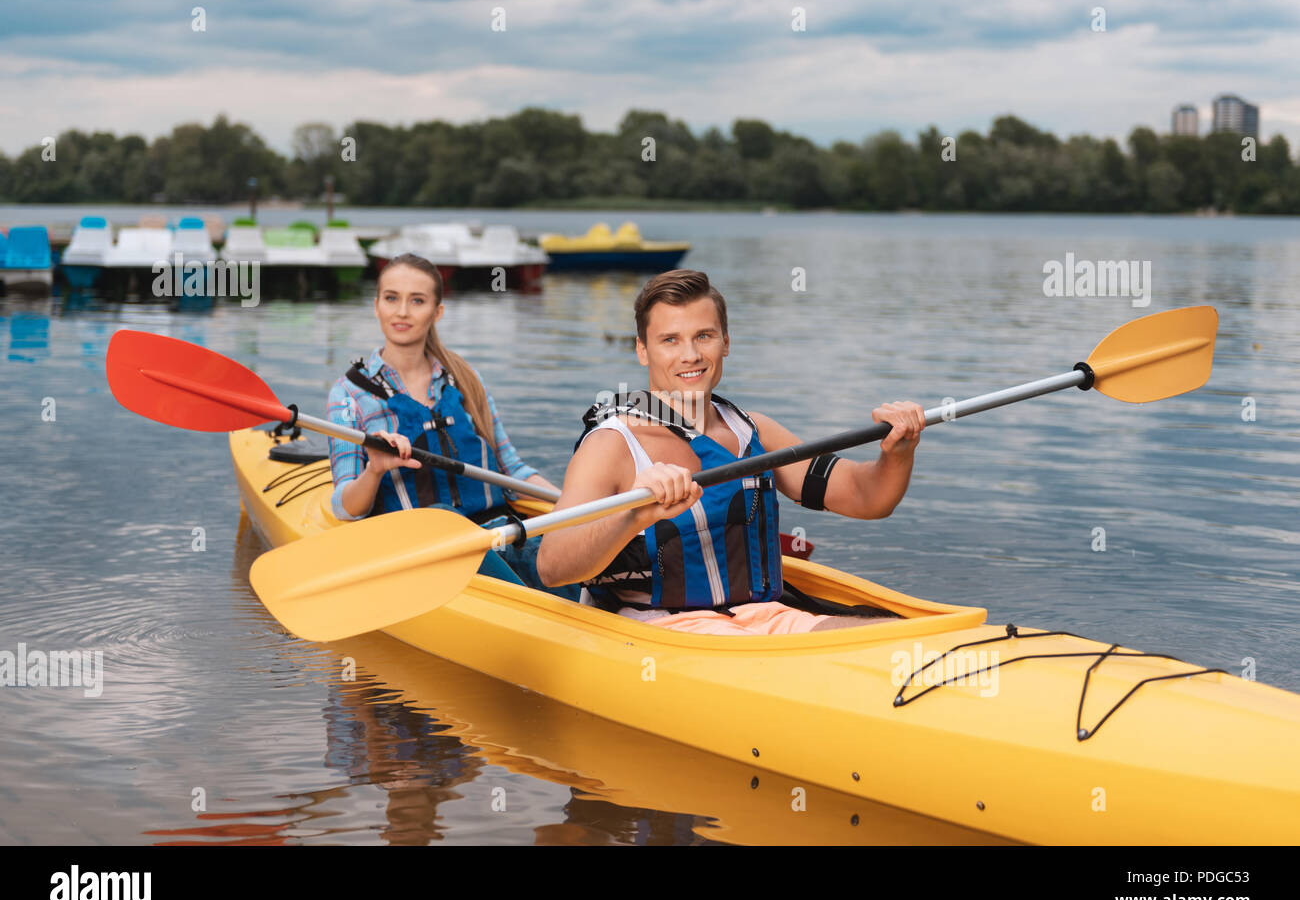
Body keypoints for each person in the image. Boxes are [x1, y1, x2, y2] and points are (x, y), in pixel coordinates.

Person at [536, 269, 926, 633]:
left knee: (903, 636)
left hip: (758, 617)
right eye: (670, 340)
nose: (690, 355)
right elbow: (553, 567)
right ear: (642, 350)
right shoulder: (613, 444)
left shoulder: (754, 430)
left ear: (726, 342)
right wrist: (634, 515)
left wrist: (897, 453)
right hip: (660, 630)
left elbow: (867, 497)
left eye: (704, 336)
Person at [327, 252, 568, 593]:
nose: (402, 312)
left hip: (496, 534)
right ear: (377, 305)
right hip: (422, 550)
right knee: (441, 518)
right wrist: (375, 469)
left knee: (566, 549)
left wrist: (573, 503)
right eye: (391, 298)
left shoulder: (464, 379)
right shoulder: (349, 393)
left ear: (437, 312)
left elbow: (511, 469)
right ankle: (541, 606)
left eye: (418, 301)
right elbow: (344, 507)